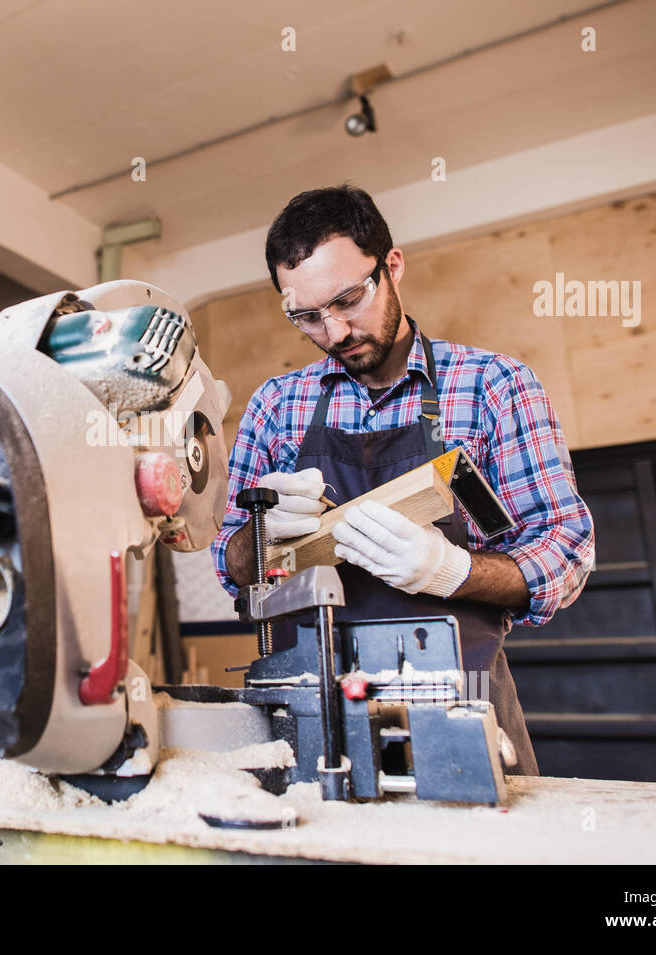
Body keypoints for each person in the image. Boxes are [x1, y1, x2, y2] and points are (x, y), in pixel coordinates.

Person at [212, 184, 596, 775]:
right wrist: (259, 538)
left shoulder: (494, 386)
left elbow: (565, 551)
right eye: (307, 316)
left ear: (392, 266)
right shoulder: (276, 406)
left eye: (348, 300)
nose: (335, 332)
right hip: (311, 712)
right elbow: (228, 563)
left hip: (459, 704)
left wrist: (452, 571)